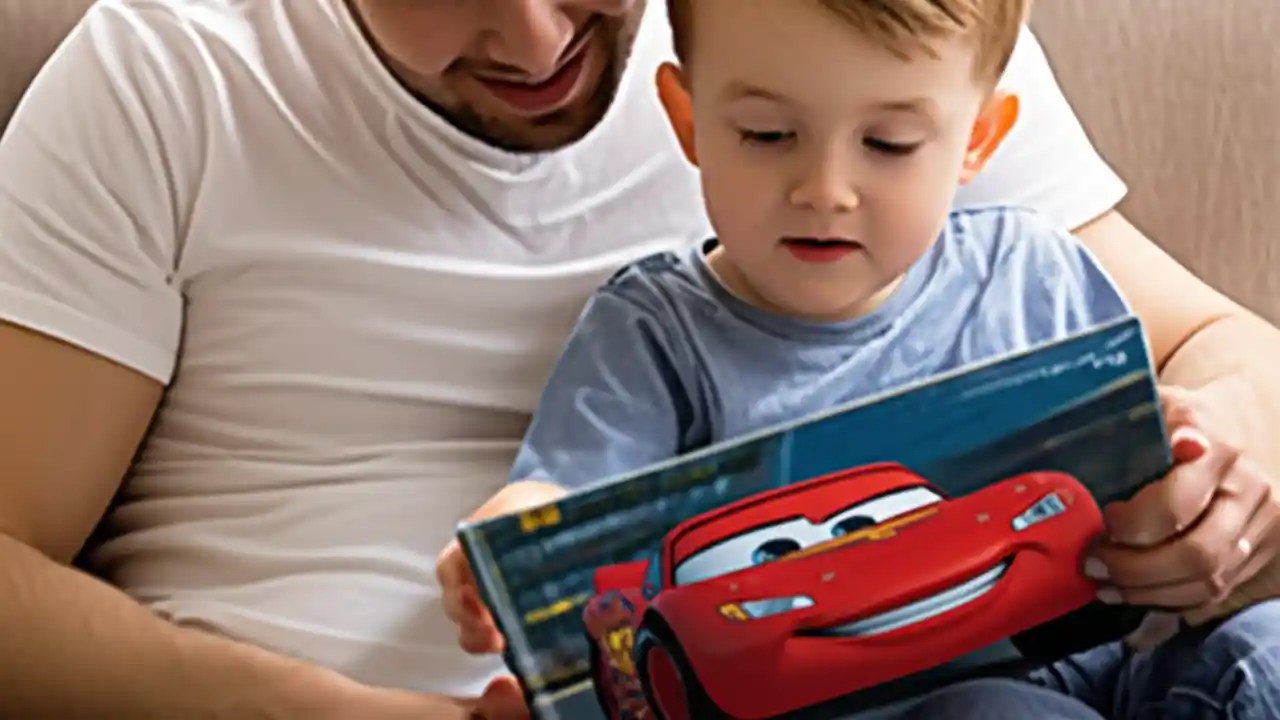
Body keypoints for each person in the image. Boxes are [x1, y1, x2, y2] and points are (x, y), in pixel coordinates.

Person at [0, 0, 1276, 718]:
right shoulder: (172, 70)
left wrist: (1225, 472)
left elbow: (1223, 353)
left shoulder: (845, 30)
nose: (535, 39)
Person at [435, 1, 1280, 718]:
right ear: (689, 122)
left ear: (978, 139)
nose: (825, 190)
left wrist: (1192, 465)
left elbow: (1137, 461)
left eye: (890, 143)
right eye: (768, 135)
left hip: (1114, 660)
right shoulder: (656, 332)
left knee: (1266, 652)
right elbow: (570, 507)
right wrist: (510, 547)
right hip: (913, 702)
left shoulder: (1032, 270)